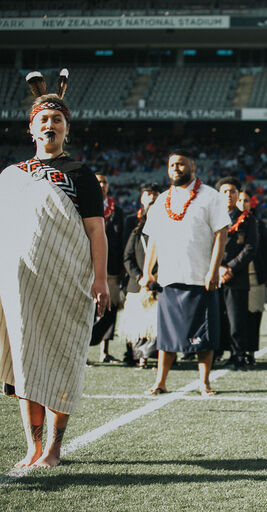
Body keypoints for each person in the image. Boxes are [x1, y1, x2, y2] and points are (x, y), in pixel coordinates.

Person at [0, 69, 110, 468]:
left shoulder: (81, 174)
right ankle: (32, 447)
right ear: (32, 128)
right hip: (20, 284)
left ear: (67, 129)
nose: (51, 124)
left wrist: (100, 280)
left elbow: (96, 231)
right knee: (26, 359)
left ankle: (54, 449)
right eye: (43, 119)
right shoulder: (10, 177)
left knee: (63, 358)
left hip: (69, 281)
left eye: (57, 120)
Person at [140, 149, 230, 395]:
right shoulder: (161, 201)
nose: (175, 169)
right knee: (167, 336)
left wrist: (213, 270)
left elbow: (221, 234)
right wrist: (148, 272)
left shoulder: (211, 196)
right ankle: (160, 381)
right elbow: (154, 240)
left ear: (193, 165)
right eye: (171, 165)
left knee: (205, 335)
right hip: (169, 277)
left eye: (181, 164)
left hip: (201, 277)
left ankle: (204, 383)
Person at [216, 177, 258, 370]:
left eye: (232, 191)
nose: (228, 195)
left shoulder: (248, 220)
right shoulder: (211, 217)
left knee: (237, 320)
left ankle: (238, 356)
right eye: (224, 191)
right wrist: (217, 268)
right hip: (214, 276)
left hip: (237, 277)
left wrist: (230, 267)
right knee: (217, 318)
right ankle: (215, 353)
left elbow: (250, 248)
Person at [119, 183, 162, 368]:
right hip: (138, 287)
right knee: (138, 325)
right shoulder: (137, 233)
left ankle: (161, 358)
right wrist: (140, 277)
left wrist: (156, 277)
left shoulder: (168, 235)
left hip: (159, 286)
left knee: (158, 325)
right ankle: (139, 358)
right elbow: (128, 258)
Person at [89, 172, 125, 363]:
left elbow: (121, 241)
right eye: (98, 182)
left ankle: (105, 351)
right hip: (88, 268)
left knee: (109, 310)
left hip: (111, 270)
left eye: (104, 182)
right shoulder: (85, 208)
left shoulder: (117, 212)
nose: (101, 185)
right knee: (87, 310)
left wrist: (121, 268)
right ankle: (83, 353)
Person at [237, 190, 267, 366]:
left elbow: (265, 251)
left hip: (255, 277)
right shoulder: (227, 222)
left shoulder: (258, 224)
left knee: (254, 317)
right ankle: (237, 351)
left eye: (246, 200)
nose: (242, 203)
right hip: (235, 276)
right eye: (240, 200)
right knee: (237, 317)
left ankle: (250, 352)